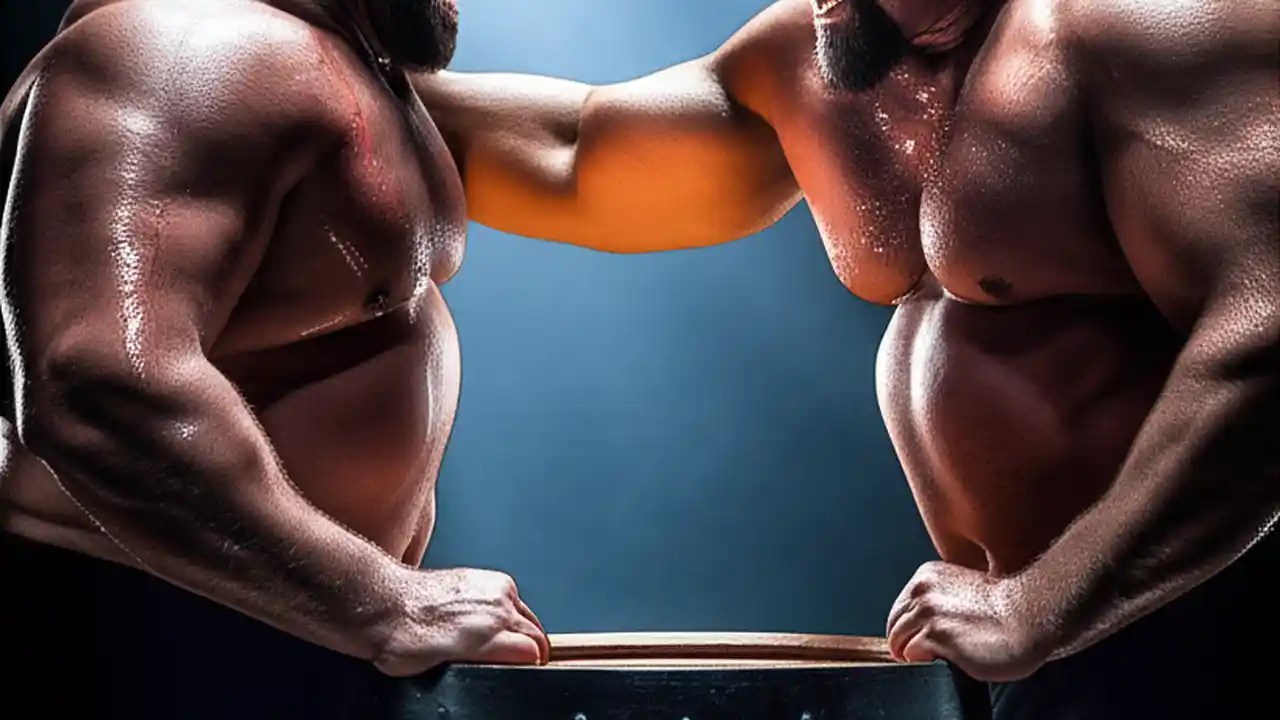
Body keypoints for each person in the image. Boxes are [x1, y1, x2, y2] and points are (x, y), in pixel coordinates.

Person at [414, 0, 1279, 716]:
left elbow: (1265, 337)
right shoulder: (819, 53)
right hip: (1030, 657)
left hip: (1196, 632)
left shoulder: (1149, 27)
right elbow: (578, 151)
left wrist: (1037, 606)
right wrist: (348, 56)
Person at [0, 0, 549, 716]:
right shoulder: (189, 47)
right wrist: (386, 604)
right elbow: (98, 384)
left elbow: (591, 142)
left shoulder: (352, 74)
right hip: (129, 649)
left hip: (259, 638)